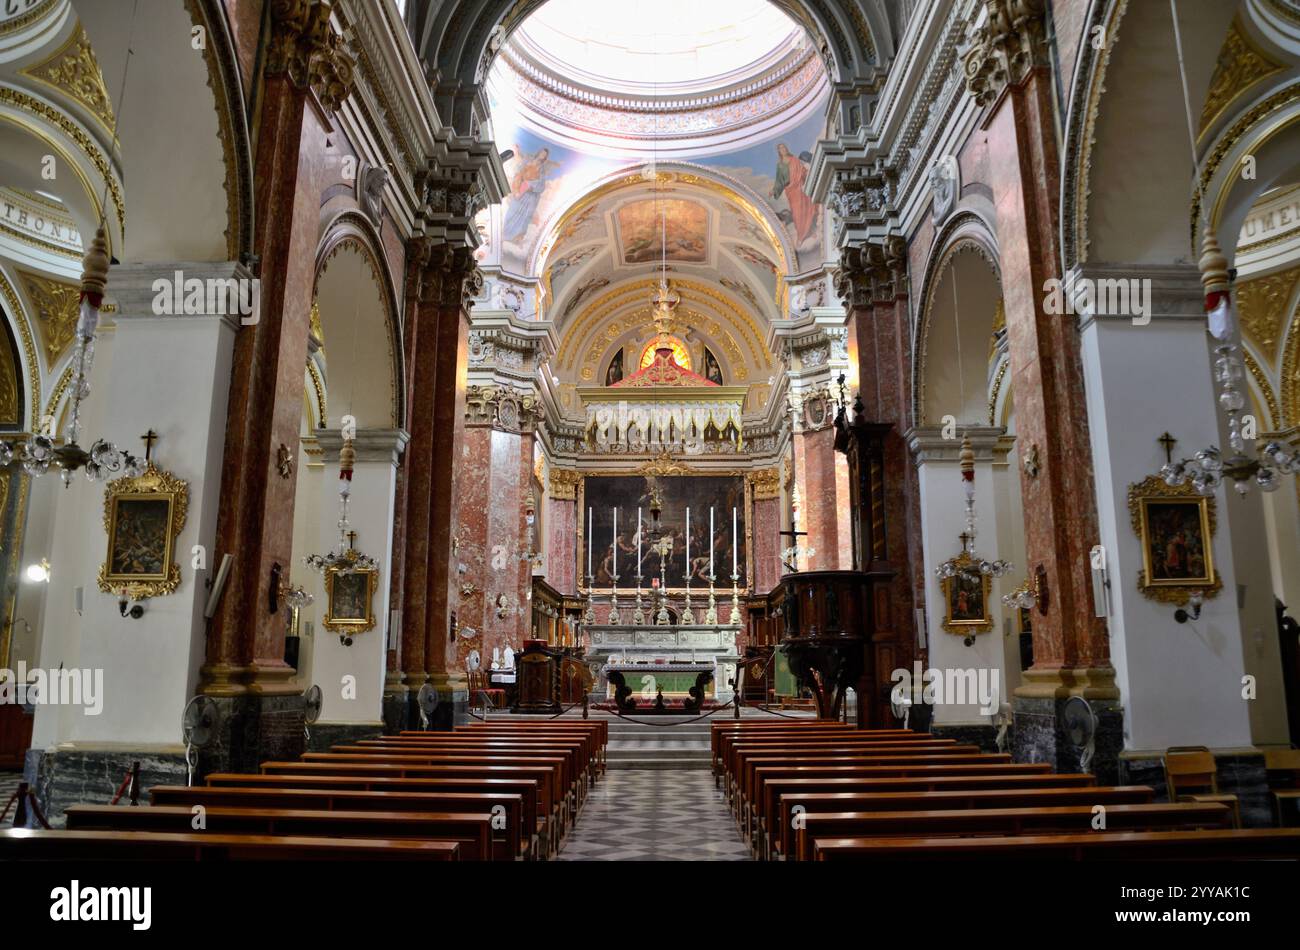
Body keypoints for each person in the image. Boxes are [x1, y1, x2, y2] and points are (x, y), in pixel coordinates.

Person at [771, 144, 816, 243]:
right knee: (797, 212)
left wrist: (806, 172)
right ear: (779, 151)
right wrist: (775, 190)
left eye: (785, 147)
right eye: (781, 148)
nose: (784, 149)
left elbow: (802, 170)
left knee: (807, 207)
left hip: (800, 186)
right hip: (792, 191)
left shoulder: (794, 159)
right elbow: (779, 180)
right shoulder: (780, 164)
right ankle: (801, 235)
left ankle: (810, 230)